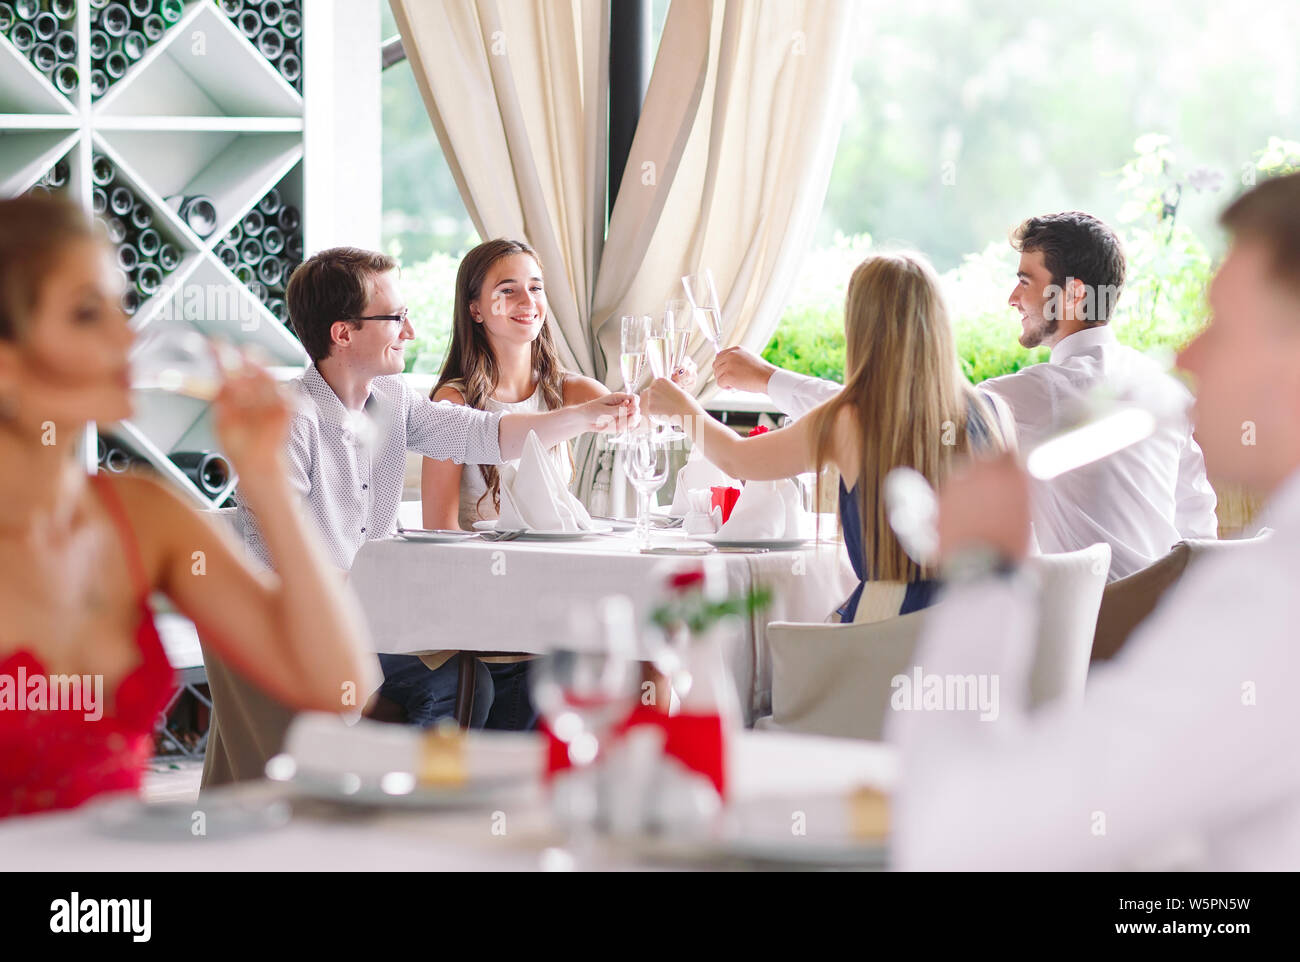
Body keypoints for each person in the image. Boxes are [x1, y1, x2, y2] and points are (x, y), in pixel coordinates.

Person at [891, 172, 1300, 870]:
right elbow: (1195, 523)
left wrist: (984, 575)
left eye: (1222, 326)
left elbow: (954, 838)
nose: (1189, 355)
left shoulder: (1271, 603)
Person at [0, 194, 378, 818]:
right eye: (87, 314)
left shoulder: (144, 516)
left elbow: (339, 684)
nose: (128, 335)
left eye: (121, 306)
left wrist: (266, 479)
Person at [205, 248, 638, 782]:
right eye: (395, 318)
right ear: (343, 334)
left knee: (517, 667)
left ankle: (471, 817)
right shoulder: (288, 420)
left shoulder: (389, 397)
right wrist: (391, 597)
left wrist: (586, 417)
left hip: (380, 623)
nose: (410, 331)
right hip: (311, 634)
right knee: (456, 680)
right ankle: (395, 810)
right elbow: (281, 566)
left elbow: (486, 435)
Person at [713, 213, 1219, 580]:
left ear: (1075, 295)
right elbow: (1197, 519)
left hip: (1091, 633)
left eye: (1025, 281)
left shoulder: (1040, 396)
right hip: (1159, 626)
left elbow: (885, 409)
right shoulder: (1163, 388)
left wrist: (767, 379)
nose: (1012, 298)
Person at [644, 252, 1015, 623]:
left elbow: (738, 460)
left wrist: (683, 410)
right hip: (980, 635)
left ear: (861, 329)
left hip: (888, 640)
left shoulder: (850, 417)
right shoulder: (991, 411)